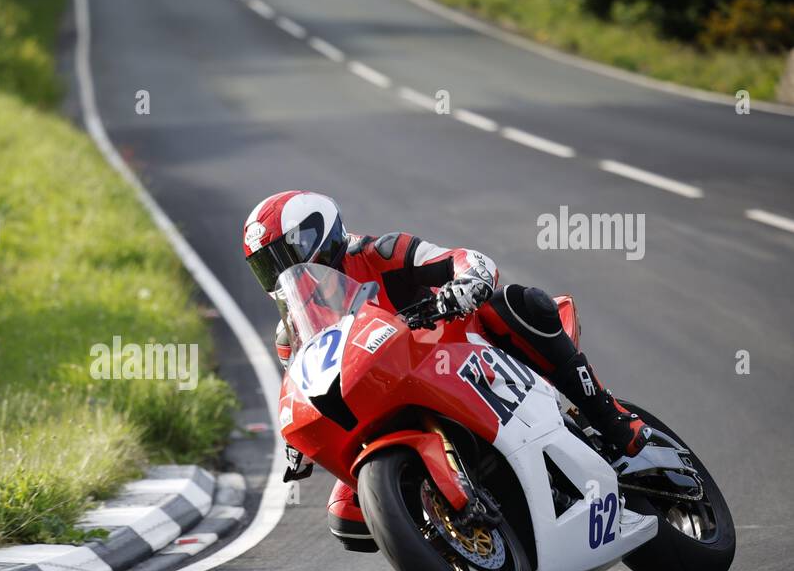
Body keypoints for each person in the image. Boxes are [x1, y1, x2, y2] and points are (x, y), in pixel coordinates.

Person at [242, 190, 647, 552]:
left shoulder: (380, 252)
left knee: (517, 304)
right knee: (347, 515)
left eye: (288, 253)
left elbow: (459, 259)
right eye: (268, 264)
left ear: (322, 234)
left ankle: (613, 421)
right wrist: (298, 443)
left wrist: (467, 280)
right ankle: (456, 535)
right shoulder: (291, 332)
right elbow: (304, 385)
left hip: (451, 350)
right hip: (386, 401)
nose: (282, 270)